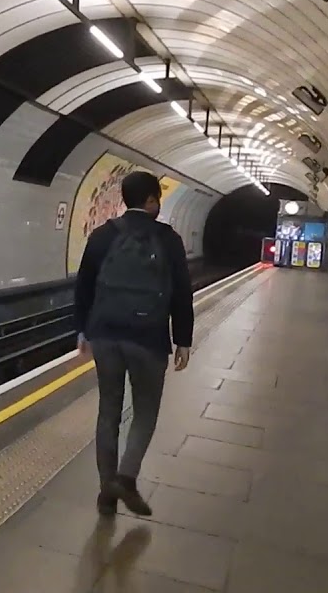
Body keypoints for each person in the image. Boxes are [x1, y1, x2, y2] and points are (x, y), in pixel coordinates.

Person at [74, 170, 194, 517]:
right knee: (145, 411)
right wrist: (183, 340)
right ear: (152, 201)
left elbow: (84, 286)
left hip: (106, 335)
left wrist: (83, 330)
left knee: (108, 411)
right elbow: (181, 293)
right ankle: (126, 477)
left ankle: (106, 494)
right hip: (148, 337)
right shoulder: (168, 239)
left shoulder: (101, 236)